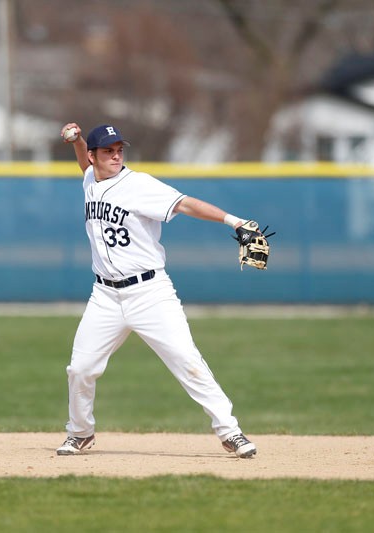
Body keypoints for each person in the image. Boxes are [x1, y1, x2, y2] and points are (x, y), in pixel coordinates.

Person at [56, 122, 257, 458]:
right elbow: (85, 168)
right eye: (108, 150)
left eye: (119, 149)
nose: (116, 155)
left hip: (149, 292)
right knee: (80, 369)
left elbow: (186, 205)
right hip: (104, 296)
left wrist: (234, 222)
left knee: (186, 359)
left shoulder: (138, 185)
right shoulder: (91, 178)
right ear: (93, 156)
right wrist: (77, 142)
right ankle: (80, 432)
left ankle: (230, 431)